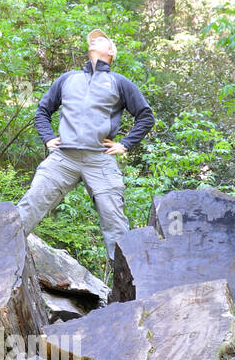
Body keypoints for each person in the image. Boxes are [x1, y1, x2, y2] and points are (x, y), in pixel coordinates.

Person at [17, 29, 154, 261]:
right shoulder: (68, 79)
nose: (94, 40)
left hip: (100, 160)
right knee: (28, 207)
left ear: (111, 51)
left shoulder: (119, 83)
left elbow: (146, 116)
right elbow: (42, 111)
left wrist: (125, 144)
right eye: (92, 39)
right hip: (63, 159)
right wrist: (48, 137)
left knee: (116, 227)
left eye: (101, 39)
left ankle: (132, 292)